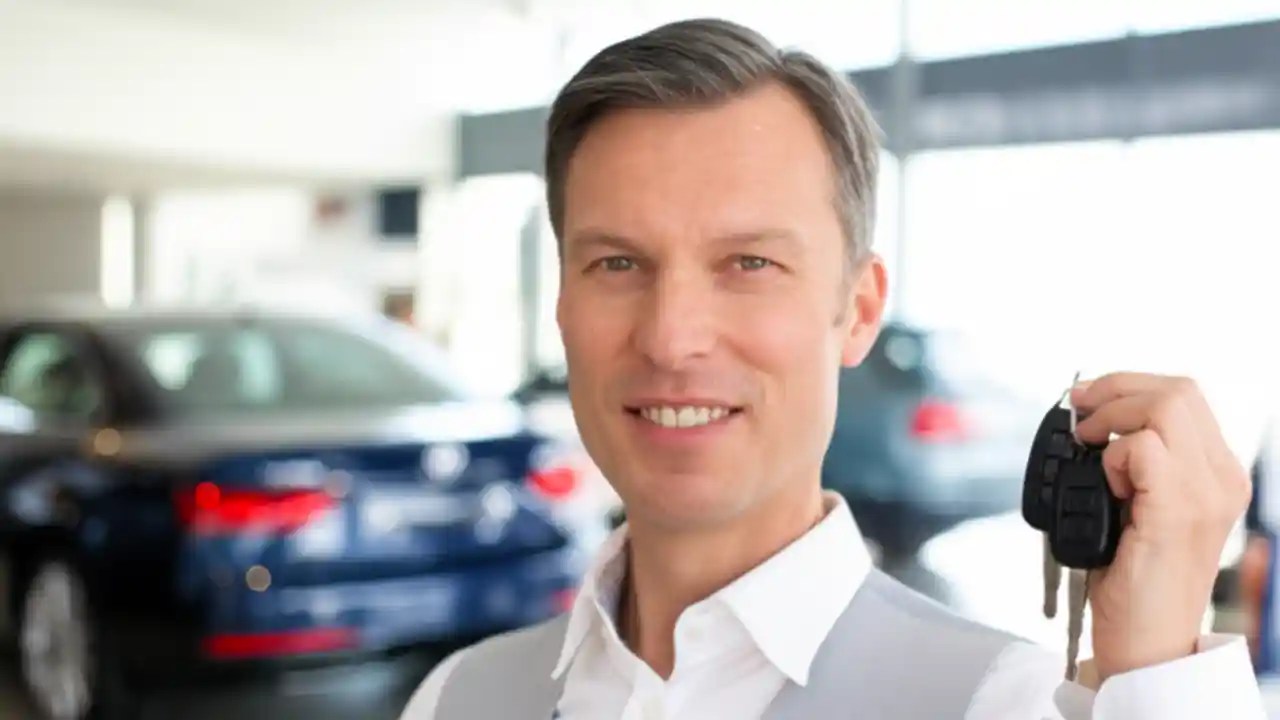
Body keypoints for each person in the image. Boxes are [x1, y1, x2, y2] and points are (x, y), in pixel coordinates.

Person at [400, 18, 1266, 719]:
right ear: (561, 302)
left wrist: (1159, 675)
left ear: (856, 309)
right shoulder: (455, 701)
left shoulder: (1004, 705)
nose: (671, 339)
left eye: (749, 263)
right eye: (618, 264)